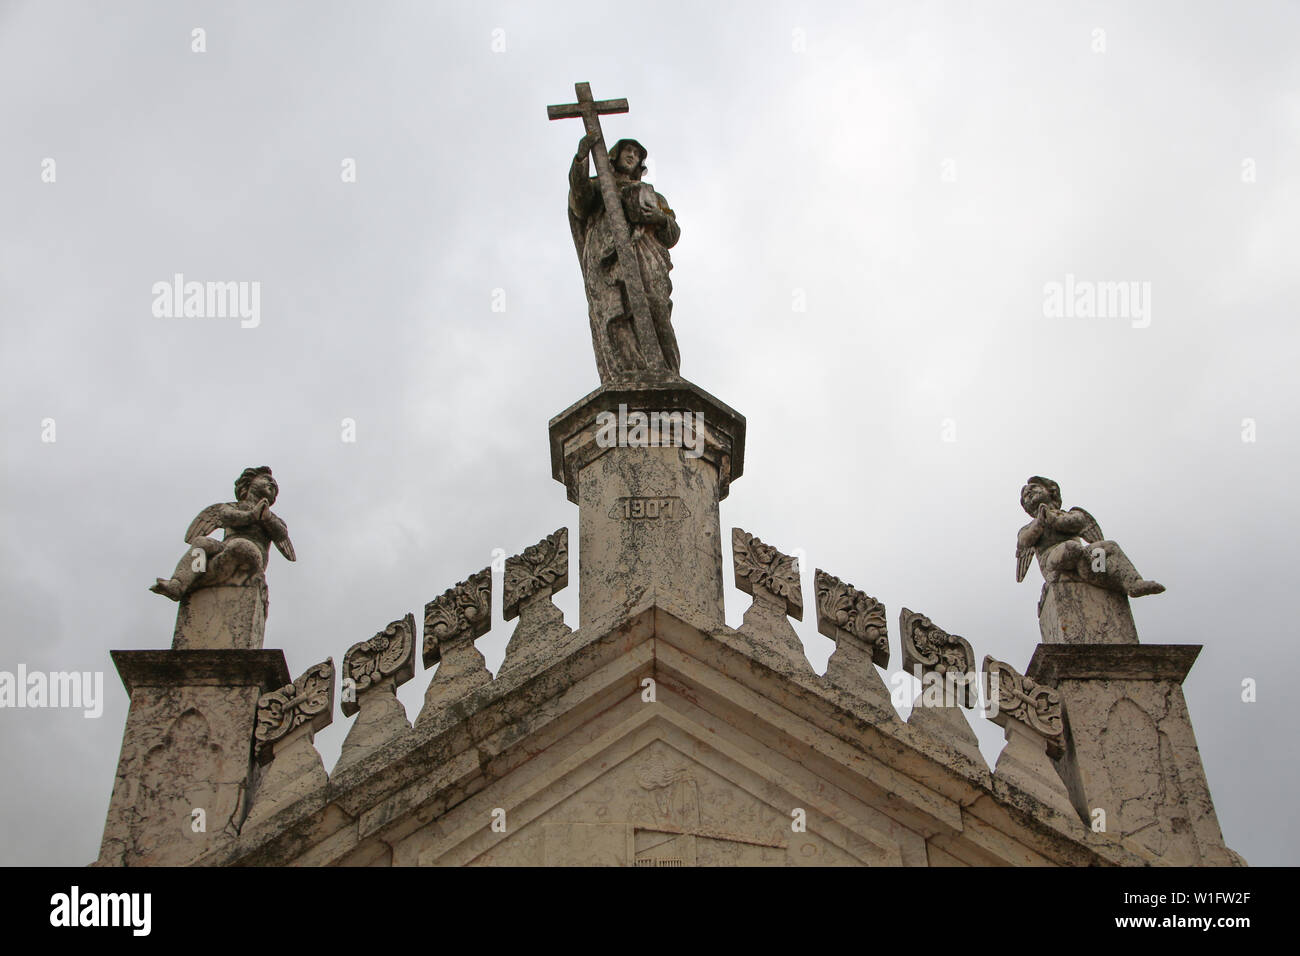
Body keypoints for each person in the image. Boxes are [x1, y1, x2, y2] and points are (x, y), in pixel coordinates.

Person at [568, 135, 681, 380]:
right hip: (608, 261)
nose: (632, 155)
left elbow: (672, 234)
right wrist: (581, 159)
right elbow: (579, 200)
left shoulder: (652, 195)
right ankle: (627, 373)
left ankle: (667, 371)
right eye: (627, 150)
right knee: (615, 312)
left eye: (636, 153)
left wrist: (660, 219)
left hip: (646, 256)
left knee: (656, 309)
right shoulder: (599, 187)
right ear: (615, 155)